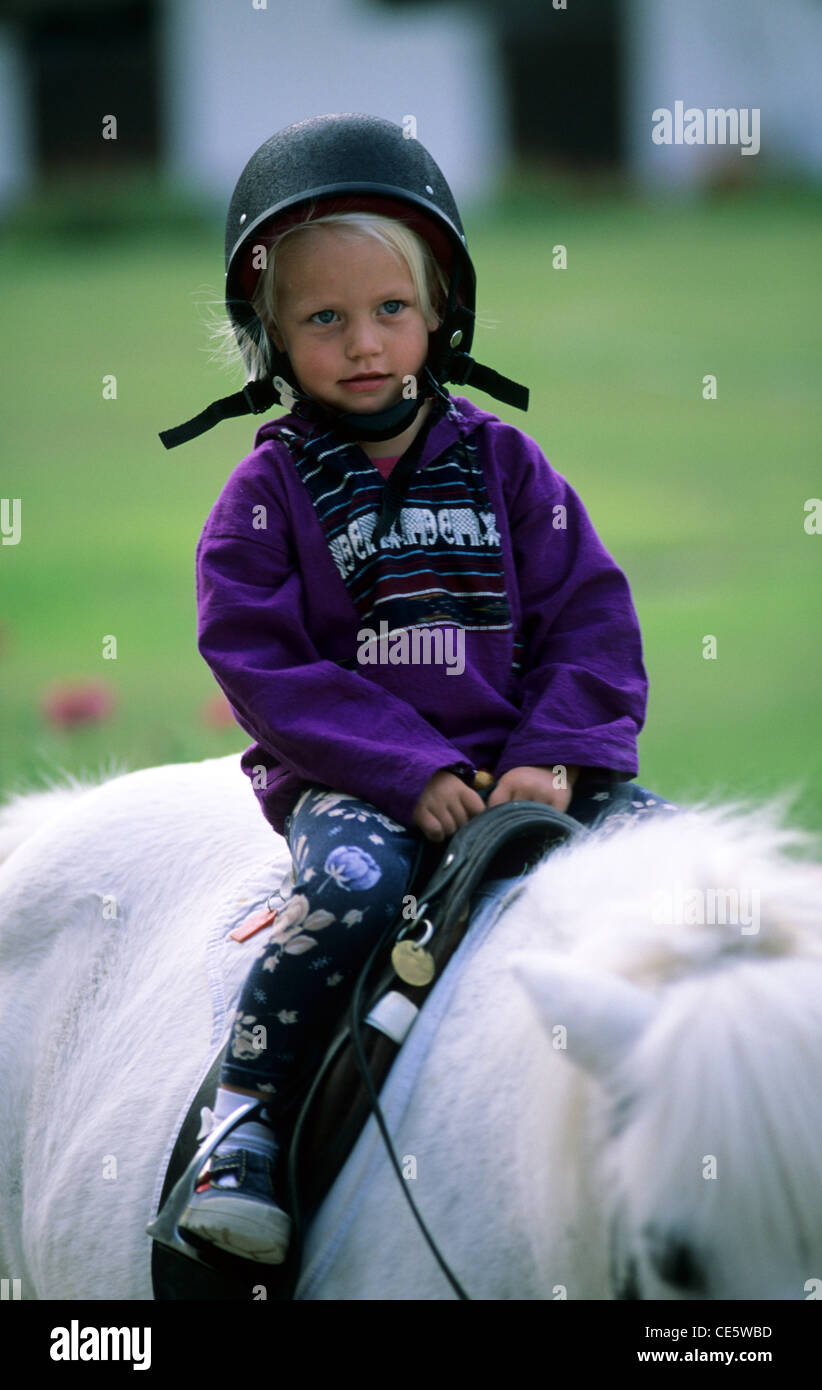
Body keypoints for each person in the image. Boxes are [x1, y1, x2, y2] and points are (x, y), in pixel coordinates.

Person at [155, 113, 675, 1265]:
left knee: (679, 868)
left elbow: (589, 615)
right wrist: (413, 768)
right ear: (271, 340)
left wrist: (554, 756)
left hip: (529, 767)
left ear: (442, 313)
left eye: (391, 308)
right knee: (346, 891)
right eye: (323, 317)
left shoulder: (508, 465)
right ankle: (245, 1119)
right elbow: (259, 658)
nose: (364, 341)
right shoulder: (265, 493)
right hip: (360, 783)